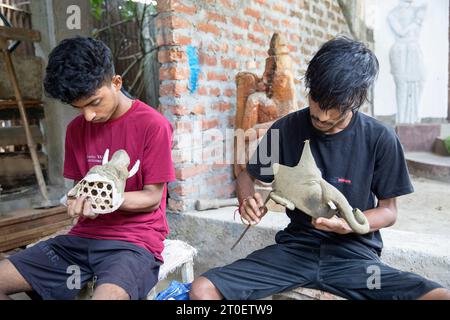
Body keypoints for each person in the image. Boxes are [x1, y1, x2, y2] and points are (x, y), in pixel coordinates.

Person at [189, 36, 450, 300]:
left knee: (438, 296)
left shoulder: (380, 138)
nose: (323, 117)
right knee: (203, 290)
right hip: (294, 253)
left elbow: (388, 211)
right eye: (317, 105)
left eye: (334, 110)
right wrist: (247, 200)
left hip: (356, 259)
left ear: (357, 99)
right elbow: (247, 177)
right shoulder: (284, 129)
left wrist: (349, 224)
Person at [0, 37, 175, 300]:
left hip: (133, 243)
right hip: (81, 238)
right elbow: (76, 191)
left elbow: (152, 198)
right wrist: (75, 202)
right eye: (78, 108)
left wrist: (104, 198)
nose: (88, 116)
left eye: (94, 102)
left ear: (116, 83)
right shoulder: (76, 130)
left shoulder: (153, 125)